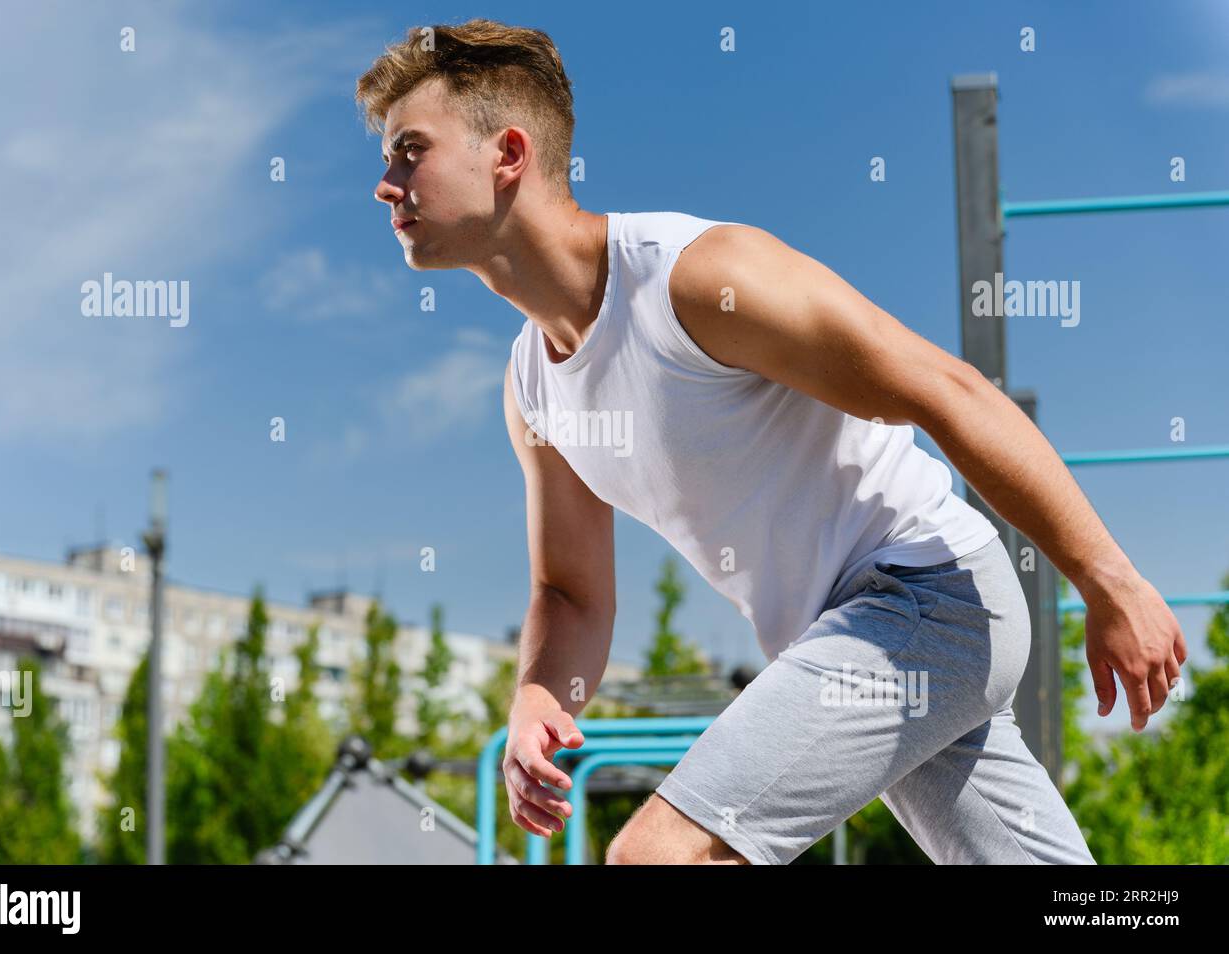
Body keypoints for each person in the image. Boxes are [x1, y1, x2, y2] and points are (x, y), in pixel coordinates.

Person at [358, 18, 1187, 865]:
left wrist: (1109, 581)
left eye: (408, 151)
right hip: (841, 638)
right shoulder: (531, 384)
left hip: (926, 596)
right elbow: (570, 594)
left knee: (655, 858)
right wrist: (535, 695)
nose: (386, 186)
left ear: (507, 154)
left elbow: (949, 391)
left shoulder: (701, 279)